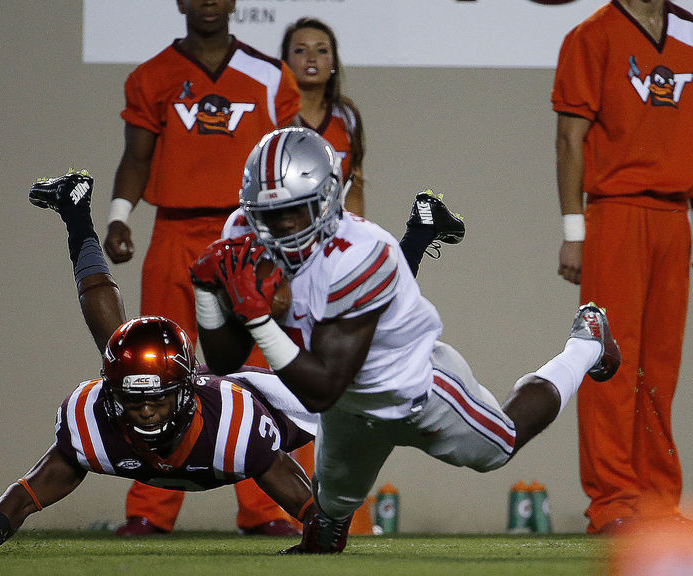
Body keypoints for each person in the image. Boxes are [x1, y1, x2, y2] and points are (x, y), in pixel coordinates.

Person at [191, 127, 622, 553]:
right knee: (330, 518)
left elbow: (322, 388)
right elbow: (224, 360)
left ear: (326, 201)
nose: (281, 227)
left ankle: (586, 345)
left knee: (502, 444)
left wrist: (257, 317)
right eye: (269, 214)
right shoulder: (242, 230)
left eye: (295, 211)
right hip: (346, 405)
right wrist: (208, 294)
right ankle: (328, 525)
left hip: (414, 386)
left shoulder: (362, 252)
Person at [0, 170, 317, 558]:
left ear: (187, 393)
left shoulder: (235, 424)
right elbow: (28, 492)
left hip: (260, 394)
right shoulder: (93, 420)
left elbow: (306, 506)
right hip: (171, 387)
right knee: (120, 350)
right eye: (133, 401)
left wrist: (320, 531)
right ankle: (76, 215)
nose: (146, 413)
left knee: (355, 402)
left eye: (157, 400)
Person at [102, 0, 301, 536]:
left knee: (255, 371)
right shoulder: (152, 76)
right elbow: (137, 156)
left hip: (245, 235)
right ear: (181, 2)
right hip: (173, 230)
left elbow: (288, 161)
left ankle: (267, 508)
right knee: (154, 366)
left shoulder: (270, 76)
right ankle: (149, 509)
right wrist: (120, 216)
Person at [552, 0, 693, 535]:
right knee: (609, 362)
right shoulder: (591, 37)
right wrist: (574, 233)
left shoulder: (688, 31)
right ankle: (612, 501)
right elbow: (569, 140)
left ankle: (658, 503)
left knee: (660, 369)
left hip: (673, 215)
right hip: (615, 213)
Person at [280, 17, 365, 216]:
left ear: (333, 61)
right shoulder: (275, 115)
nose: (311, 57)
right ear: (285, 61)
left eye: (322, 50)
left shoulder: (346, 115)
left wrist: (356, 238)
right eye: (300, 50)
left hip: (336, 231)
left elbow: (354, 185)